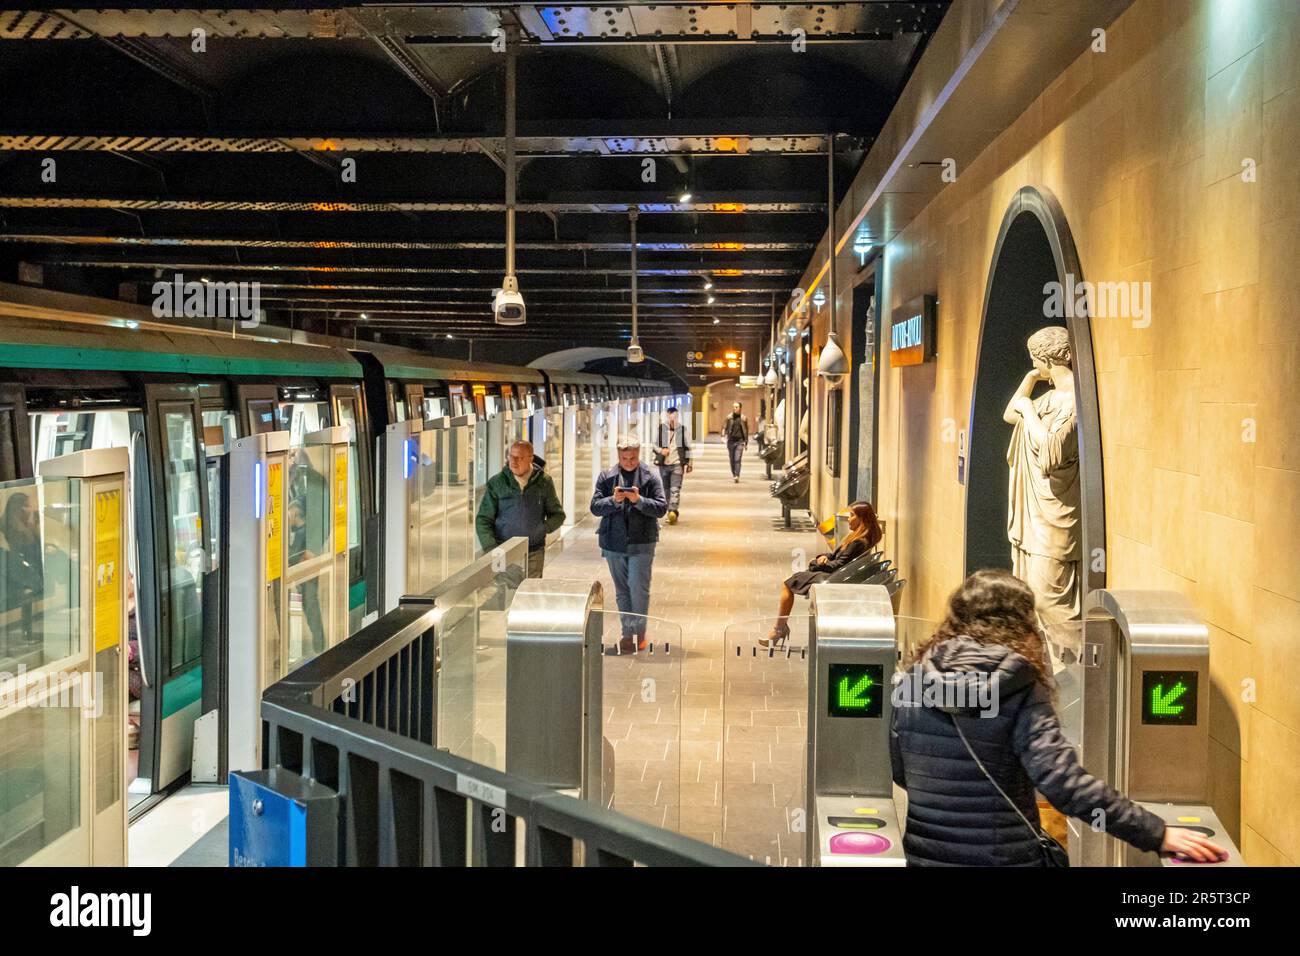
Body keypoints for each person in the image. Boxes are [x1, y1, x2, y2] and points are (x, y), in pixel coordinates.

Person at [890, 569, 1229, 867]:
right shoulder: (1019, 688)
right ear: (1022, 623)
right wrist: (1156, 833)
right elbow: (1062, 784)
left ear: (956, 617)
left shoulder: (913, 681)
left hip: (925, 856)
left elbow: (900, 770)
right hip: (1006, 859)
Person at [1003, 326, 1080, 629]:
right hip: (1038, 515)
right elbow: (1010, 414)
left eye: (1034, 360)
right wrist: (1030, 379)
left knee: (1050, 602)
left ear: (1046, 358)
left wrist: (1028, 410)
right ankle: (1046, 668)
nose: (1033, 364)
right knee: (1033, 600)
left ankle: (1069, 670)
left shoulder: (1075, 402)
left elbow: (1052, 452)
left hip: (1056, 516)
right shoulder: (1051, 397)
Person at [762, 500, 882, 646]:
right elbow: (835, 557)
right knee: (789, 580)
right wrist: (822, 558)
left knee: (788, 582)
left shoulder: (858, 542)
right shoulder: (857, 538)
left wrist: (815, 563)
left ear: (862, 519)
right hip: (834, 575)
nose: (848, 519)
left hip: (833, 579)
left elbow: (837, 565)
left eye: (851, 515)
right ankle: (780, 628)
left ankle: (779, 629)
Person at [590, 436, 667, 654]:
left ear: (639, 453)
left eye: (633, 458)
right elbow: (595, 507)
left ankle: (639, 631)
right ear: (618, 456)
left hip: (642, 542)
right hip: (613, 542)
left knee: (638, 588)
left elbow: (661, 507)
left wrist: (639, 501)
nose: (629, 462)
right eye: (625, 458)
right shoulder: (607, 477)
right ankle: (627, 633)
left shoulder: (650, 477)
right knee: (622, 590)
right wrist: (613, 501)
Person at [475, 439, 565, 578]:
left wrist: (542, 528)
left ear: (530, 458)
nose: (513, 461)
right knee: (502, 593)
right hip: (503, 549)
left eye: (519, 458)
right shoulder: (497, 482)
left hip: (534, 550)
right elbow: (483, 519)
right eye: (511, 456)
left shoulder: (544, 482)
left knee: (529, 592)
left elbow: (558, 515)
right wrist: (491, 549)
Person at [653, 406, 692, 525]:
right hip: (664, 464)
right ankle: (670, 510)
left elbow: (688, 447)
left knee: (675, 489)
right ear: (668, 415)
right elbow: (654, 446)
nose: (674, 419)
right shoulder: (661, 429)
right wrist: (661, 451)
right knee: (666, 490)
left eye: (676, 417)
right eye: (672, 416)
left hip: (677, 464)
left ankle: (673, 511)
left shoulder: (682, 430)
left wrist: (689, 463)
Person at [723, 401, 748, 482]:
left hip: (740, 441)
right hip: (731, 441)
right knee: (732, 459)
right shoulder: (729, 417)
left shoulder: (744, 418)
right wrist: (723, 436)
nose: (735, 408)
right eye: (734, 407)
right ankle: (734, 474)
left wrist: (746, 442)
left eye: (736, 407)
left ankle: (737, 475)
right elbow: (724, 427)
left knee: (737, 458)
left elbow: (746, 431)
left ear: (740, 408)